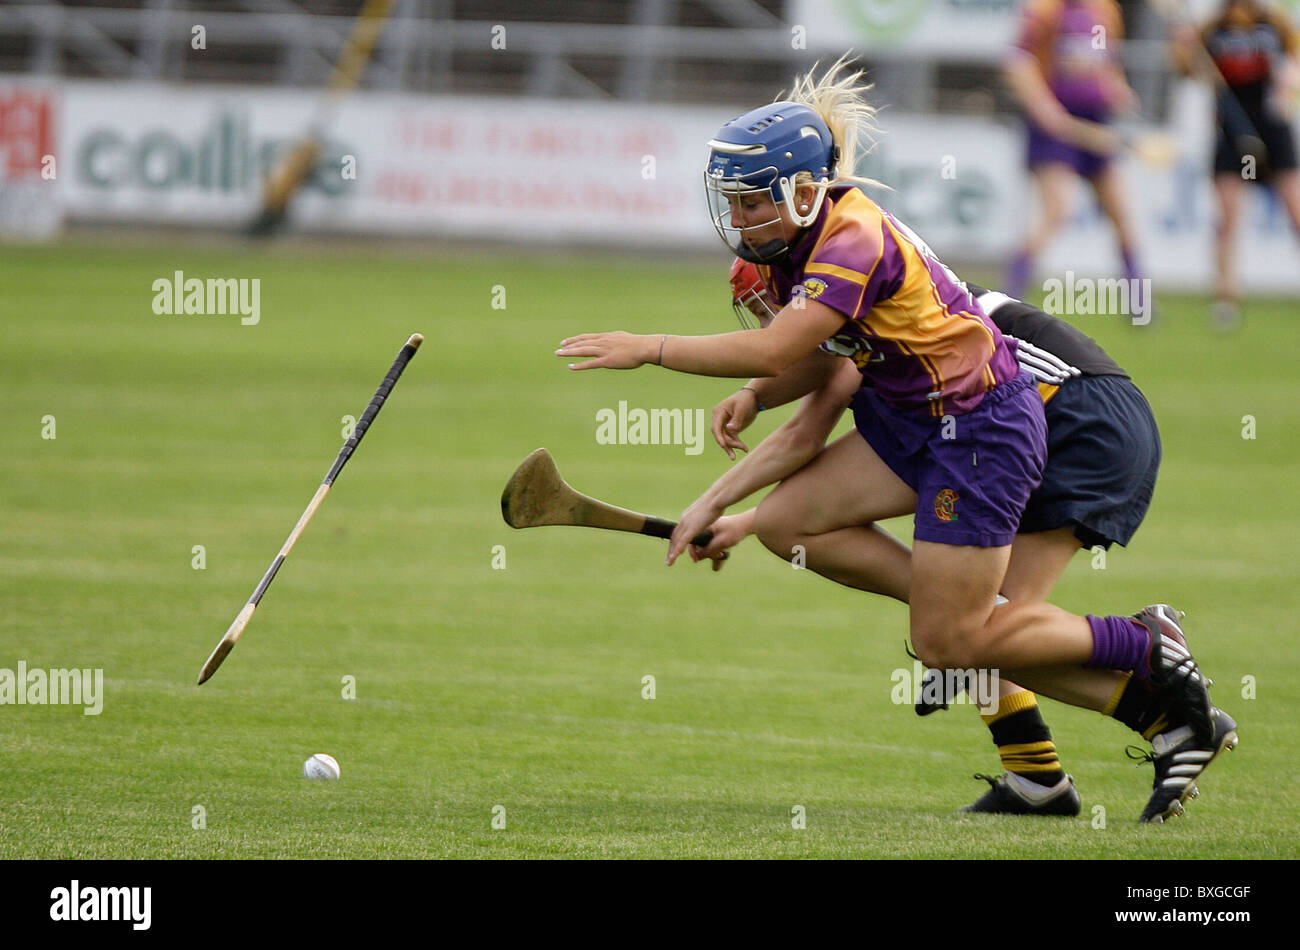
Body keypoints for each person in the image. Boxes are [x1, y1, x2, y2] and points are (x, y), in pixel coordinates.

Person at [555, 58, 1231, 822]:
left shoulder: (849, 241)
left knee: (974, 634)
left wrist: (653, 348)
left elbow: (796, 373)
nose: (738, 223)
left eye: (751, 204)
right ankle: (1071, 756)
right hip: (929, 420)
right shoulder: (803, 260)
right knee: (825, 547)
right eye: (732, 204)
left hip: (1051, 418)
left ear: (802, 190)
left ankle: (1145, 648)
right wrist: (730, 504)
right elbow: (810, 388)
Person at [685, 259, 1204, 819]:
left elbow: (804, 435)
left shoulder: (867, 307)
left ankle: (1146, 644)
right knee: (970, 630)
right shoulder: (855, 317)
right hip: (1028, 426)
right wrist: (744, 519)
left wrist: (716, 499)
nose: (773, 322)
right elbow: (832, 475)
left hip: (1079, 421)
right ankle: (1047, 769)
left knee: (976, 632)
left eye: (778, 304)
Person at [1002, 0, 1145, 306]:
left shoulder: (1104, 10)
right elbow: (1019, 63)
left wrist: (1118, 92)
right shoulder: (1043, 10)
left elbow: (1108, 64)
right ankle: (1011, 293)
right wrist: (1044, 108)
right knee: (1058, 211)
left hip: (1095, 119)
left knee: (1120, 213)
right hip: (1054, 127)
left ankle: (1139, 302)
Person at [1172, 0, 1300, 328]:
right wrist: (1184, 47)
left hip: (1271, 126)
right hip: (1232, 130)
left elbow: (1295, 60)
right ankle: (1226, 297)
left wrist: (1290, 83)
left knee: (1296, 210)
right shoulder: (1212, 30)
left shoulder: (1276, 24)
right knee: (1228, 217)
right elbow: (1187, 70)